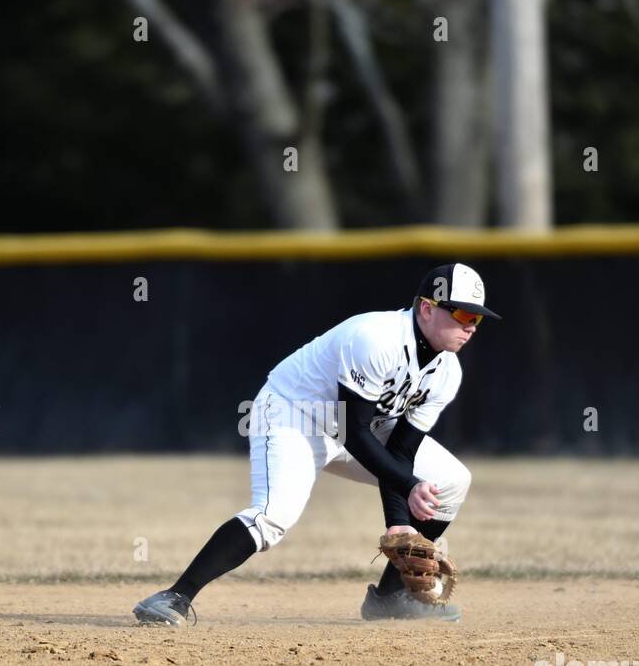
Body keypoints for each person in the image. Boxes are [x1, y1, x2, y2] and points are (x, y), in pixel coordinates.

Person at [133, 263, 498, 625]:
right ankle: (175, 596)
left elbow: (400, 451)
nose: (470, 326)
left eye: (477, 319)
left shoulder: (448, 372)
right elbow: (354, 432)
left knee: (451, 480)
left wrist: (399, 524)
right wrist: (408, 485)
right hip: (294, 415)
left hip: (364, 429)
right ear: (427, 308)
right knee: (273, 516)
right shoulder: (377, 338)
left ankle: (390, 598)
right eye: (463, 313)